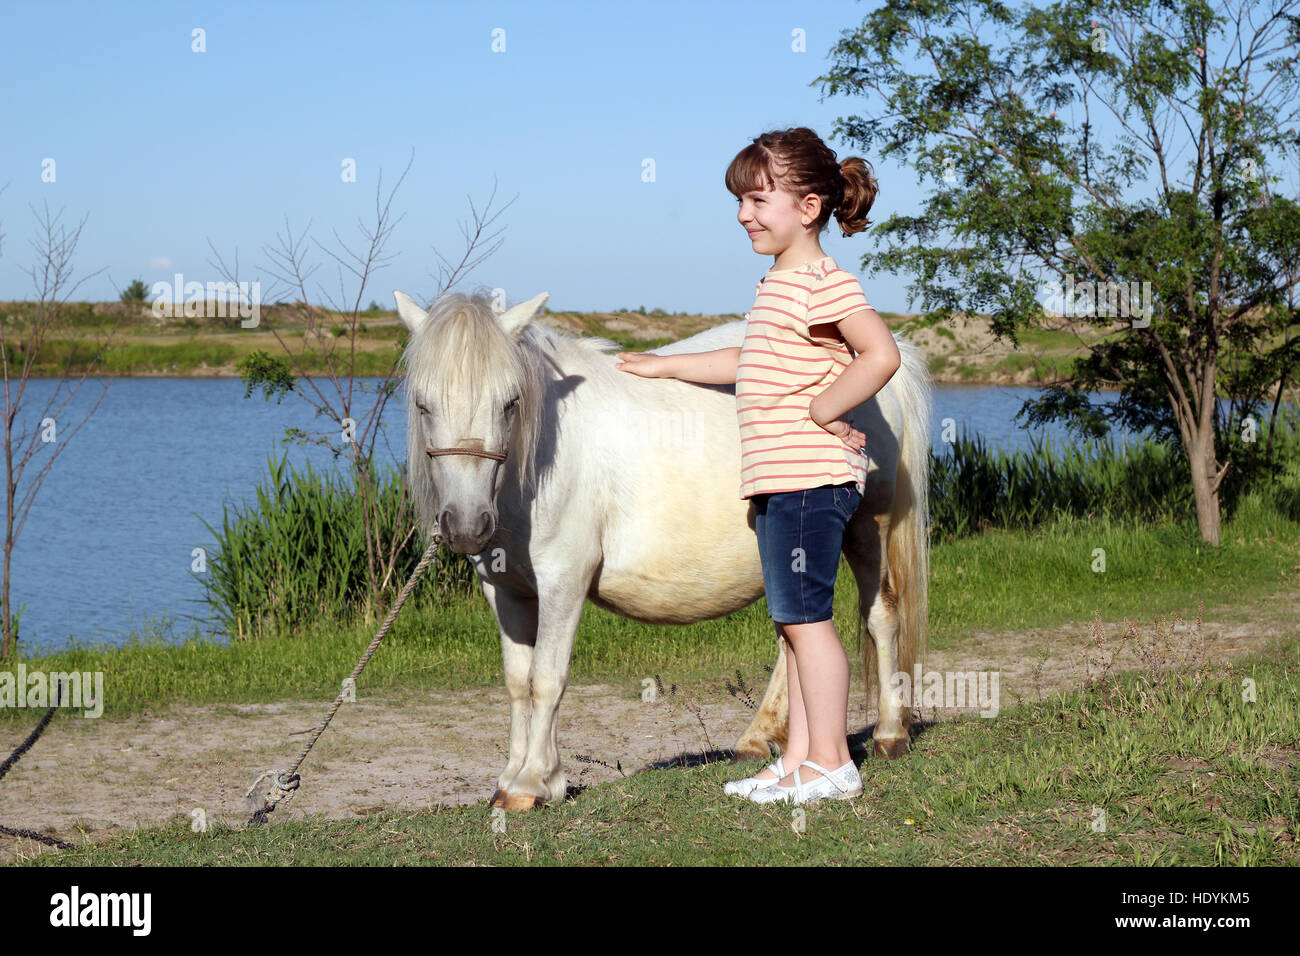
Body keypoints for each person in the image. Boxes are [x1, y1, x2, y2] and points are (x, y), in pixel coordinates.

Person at [615, 127, 901, 804]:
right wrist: (664, 366)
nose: (744, 213)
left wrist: (827, 411)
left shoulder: (824, 283)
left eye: (757, 199)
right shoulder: (778, 284)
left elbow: (880, 354)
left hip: (809, 478)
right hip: (779, 481)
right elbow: (745, 361)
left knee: (809, 622)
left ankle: (832, 763)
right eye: (739, 200)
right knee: (792, 624)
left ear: (807, 208)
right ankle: (798, 759)